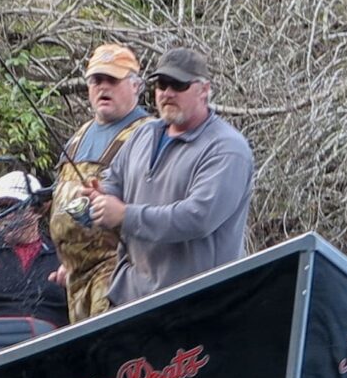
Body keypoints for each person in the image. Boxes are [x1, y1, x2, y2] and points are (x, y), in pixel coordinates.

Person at [86, 47, 253, 307]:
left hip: (199, 306)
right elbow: (114, 181)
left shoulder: (227, 148)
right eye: (162, 84)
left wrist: (125, 216)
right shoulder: (143, 135)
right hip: (132, 301)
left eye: (179, 84)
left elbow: (197, 217)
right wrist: (100, 196)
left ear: (204, 90)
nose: (167, 93)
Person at [47, 42, 153, 324]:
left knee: (107, 341)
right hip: (76, 276)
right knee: (87, 349)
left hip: (116, 269)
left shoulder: (147, 134)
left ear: (136, 86)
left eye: (112, 80)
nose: (103, 87)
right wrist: (67, 259)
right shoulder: (79, 135)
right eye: (96, 80)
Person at [0, 171, 68, 327]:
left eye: (15, 207)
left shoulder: (62, 253)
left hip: (54, 340)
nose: (7, 215)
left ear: (37, 210)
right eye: (1, 207)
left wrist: (74, 279)